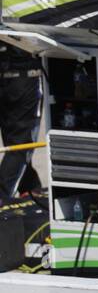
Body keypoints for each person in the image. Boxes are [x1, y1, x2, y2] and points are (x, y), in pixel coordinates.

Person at [0, 46, 42, 200]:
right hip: (23, 77)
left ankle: (29, 185)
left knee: (15, 141)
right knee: (21, 144)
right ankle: (4, 195)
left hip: (13, 75)